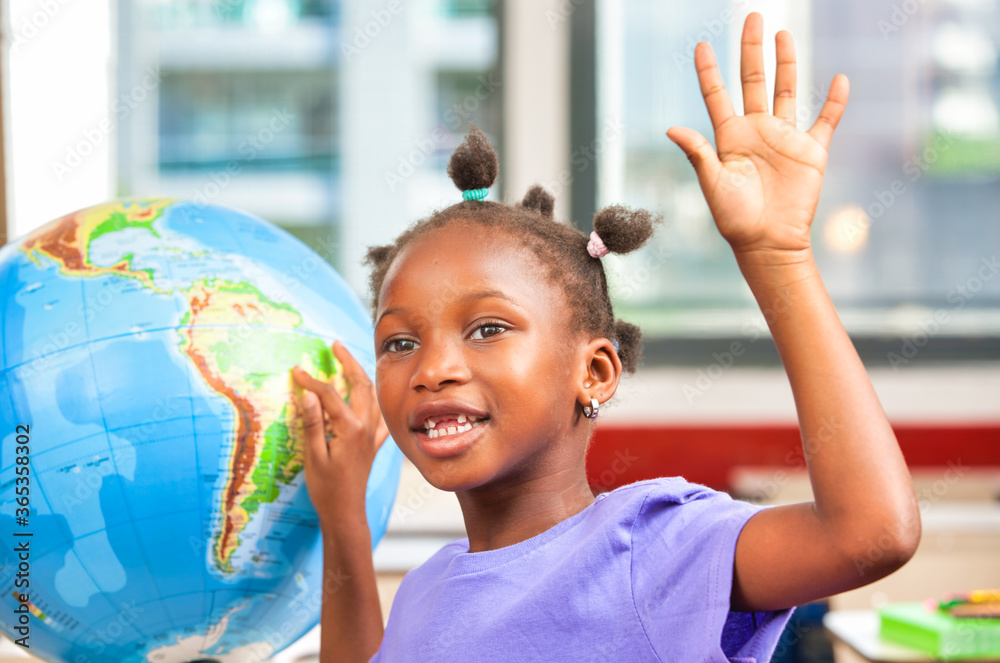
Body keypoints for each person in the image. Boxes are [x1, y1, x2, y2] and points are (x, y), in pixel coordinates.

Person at [291, 13, 921, 662]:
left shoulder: (646, 547)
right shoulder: (428, 585)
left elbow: (869, 533)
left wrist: (777, 255)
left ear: (593, 373)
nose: (434, 367)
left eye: (487, 328)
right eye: (399, 341)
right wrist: (342, 517)